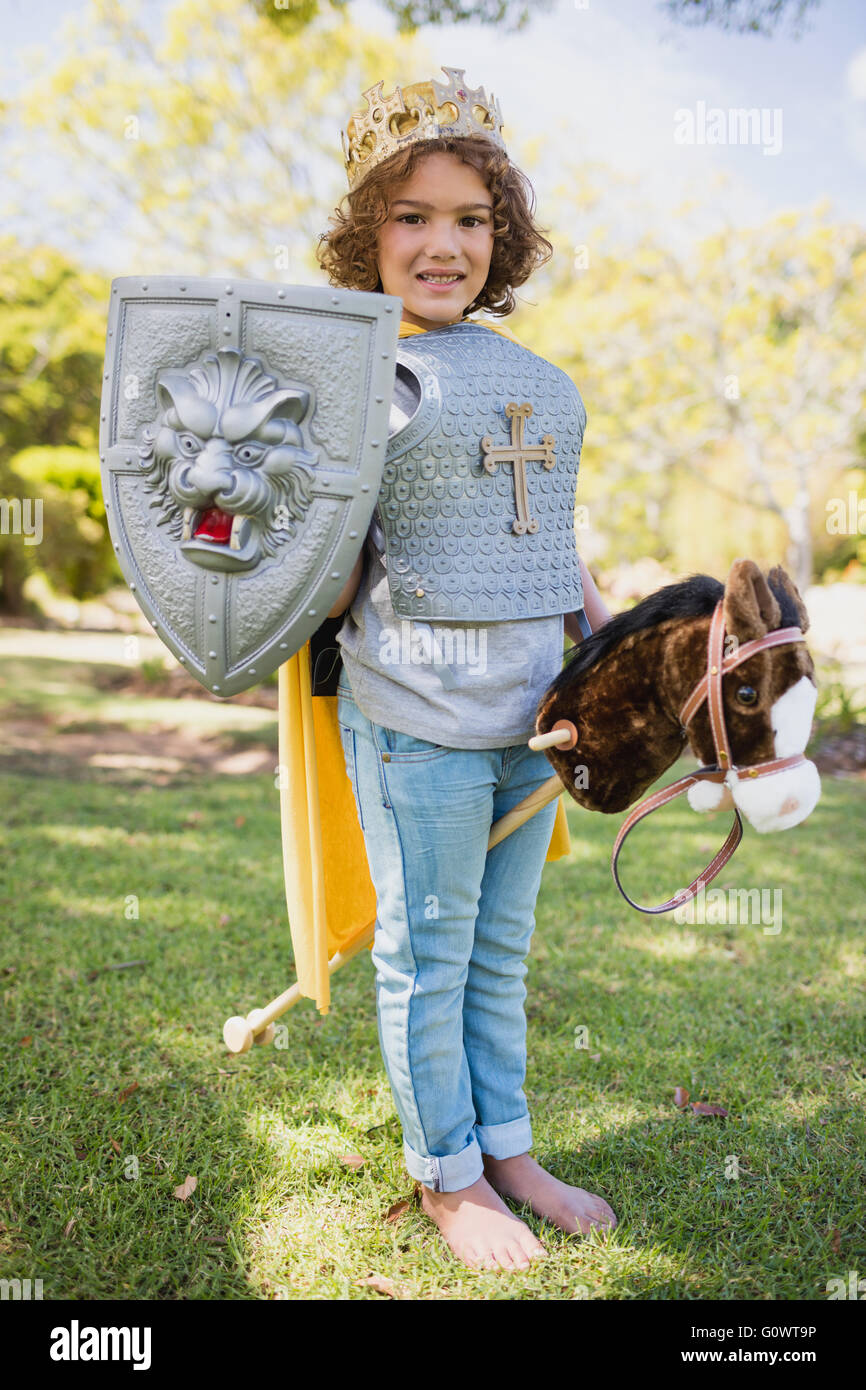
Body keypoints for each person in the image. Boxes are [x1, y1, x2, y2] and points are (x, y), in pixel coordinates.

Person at [314, 67, 617, 1273]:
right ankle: (444, 1175)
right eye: (412, 216)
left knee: (499, 952)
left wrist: (603, 650)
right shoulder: (346, 378)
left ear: (504, 233)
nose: (444, 244)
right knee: (428, 949)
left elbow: (549, 537)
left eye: (471, 219)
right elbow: (318, 563)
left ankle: (506, 1145)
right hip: (415, 716)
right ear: (364, 233)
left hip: (524, 718)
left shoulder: (534, 382)